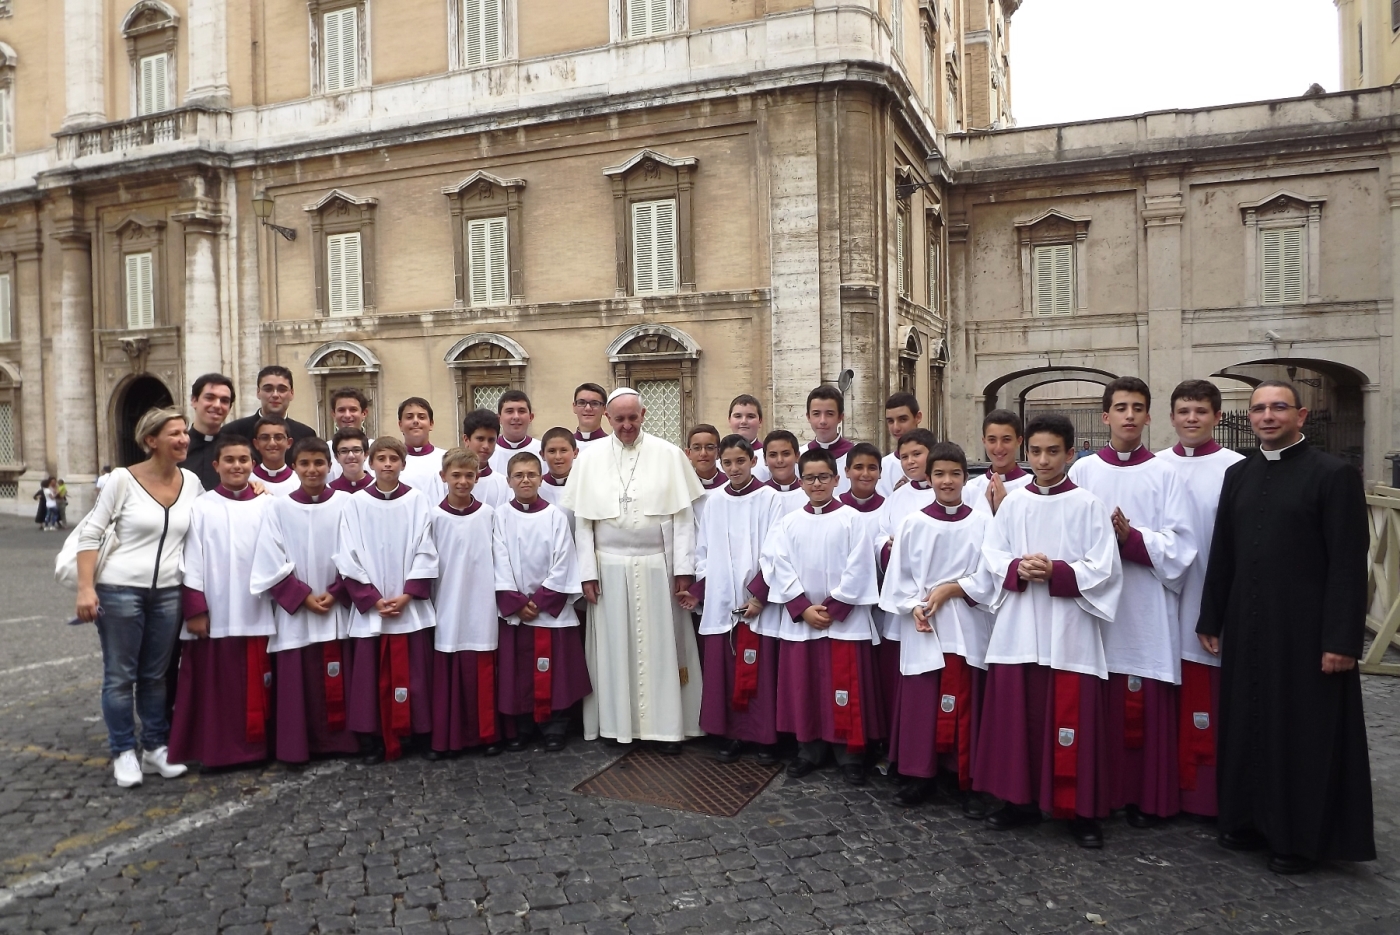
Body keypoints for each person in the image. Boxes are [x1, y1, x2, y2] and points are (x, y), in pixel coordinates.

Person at [1198, 380, 1374, 873]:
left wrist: (1341, 640)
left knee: (1301, 733)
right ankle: (1249, 820)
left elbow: (1347, 563)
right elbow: (1224, 551)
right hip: (1249, 626)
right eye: (1258, 409)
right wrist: (1211, 615)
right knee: (1249, 721)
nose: (1267, 416)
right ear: (1249, 417)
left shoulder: (1333, 474)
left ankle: (1298, 838)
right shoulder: (1240, 474)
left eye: (1278, 408)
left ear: (1301, 414)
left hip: (1306, 633)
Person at [974, 414, 1122, 849]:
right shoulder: (1014, 503)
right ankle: (1015, 801)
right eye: (1035, 451)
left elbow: (1105, 567)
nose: (1043, 459)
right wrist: (1017, 567)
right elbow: (992, 553)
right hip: (1019, 627)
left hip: (1068, 630)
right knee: (1016, 718)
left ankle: (1078, 810)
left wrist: (1056, 571)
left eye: (1052, 451)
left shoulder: (1088, 505)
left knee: (1069, 717)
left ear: (1070, 454)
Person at [1069, 377, 1196, 828]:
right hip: (1096, 607)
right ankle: (1099, 791)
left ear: (1147, 417)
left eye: (1136, 407)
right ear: (1105, 416)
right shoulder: (1082, 472)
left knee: (1143, 699)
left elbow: (1182, 545)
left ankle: (1145, 796)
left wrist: (1132, 537)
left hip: (1143, 605)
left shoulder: (1166, 473)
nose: (1128, 415)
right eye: (1119, 407)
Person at [561, 387, 705, 752]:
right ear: (608, 419)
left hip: (659, 569)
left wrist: (683, 570)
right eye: (619, 419)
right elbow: (583, 524)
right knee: (614, 650)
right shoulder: (589, 459)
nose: (626, 425)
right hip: (608, 571)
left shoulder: (670, 455)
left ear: (643, 415)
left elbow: (684, 519)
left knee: (662, 650)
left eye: (633, 418)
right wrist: (587, 574)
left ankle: (667, 728)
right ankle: (616, 725)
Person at [75, 407, 202, 789]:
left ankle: (155, 748)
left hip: (168, 592)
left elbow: (214, 517)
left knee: (155, 676)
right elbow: (91, 533)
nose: (183, 439)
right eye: (174, 434)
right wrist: (86, 588)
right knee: (119, 677)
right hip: (119, 590)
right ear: (151, 441)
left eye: (184, 433)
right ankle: (123, 751)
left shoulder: (192, 481)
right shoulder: (122, 480)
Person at [880, 441, 997, 808]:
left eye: (955, 474)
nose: (947, 482)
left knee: (964, 700)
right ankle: (919, 775)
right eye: (940, 474)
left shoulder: (982, 521)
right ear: (928, 478)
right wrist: (912, 605)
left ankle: (963, 777)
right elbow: (896, 580)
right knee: (922, 702)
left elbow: (991, 575)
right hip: (925, 627)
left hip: (966, 625)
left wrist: (954, 589)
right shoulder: (914, 522)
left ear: (967, 478)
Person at [765, 448, 884, 786]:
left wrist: (832, 609)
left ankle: (850, 754)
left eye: (823, 477)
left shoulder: (852, 519)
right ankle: (809, 750)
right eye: (809, 477)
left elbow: (860, 568)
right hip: (804, 622)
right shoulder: (789, 523)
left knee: (843, 686)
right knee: (807, 687)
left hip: (842, 623)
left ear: (836, 479)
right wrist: (802, 607)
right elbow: (780, 566)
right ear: (800, 481)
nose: (816, 483)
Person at [1155, 379, 1244, 819]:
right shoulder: (1153, 466)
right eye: (1184, 411)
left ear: (1218, 417)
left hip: (1211, 590)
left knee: (1206, 694)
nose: (1192, 419)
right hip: (1158, 595)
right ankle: (1163, 786)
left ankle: (1206, 794)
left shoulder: (1237, 468)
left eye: (1201, 411)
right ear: (1171, 417)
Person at [167, 434, 276, 770]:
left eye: (243, 460)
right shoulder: (201, 507)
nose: (237, 466)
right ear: (216, 466)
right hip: (217, 611)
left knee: (258, 682)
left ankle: (260, 749)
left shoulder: (268, 504)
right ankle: (218, 751)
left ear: (253, 465)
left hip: (258, 608)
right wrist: (196, 609)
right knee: (219, 687)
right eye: (229, 460)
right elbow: (191, 561)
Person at [249, 437, 358, 764]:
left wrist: (338, 591)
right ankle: (298, 745)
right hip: (297, 611)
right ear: (294, 467)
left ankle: (343, 742)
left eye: (319, 463)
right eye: (305, 463)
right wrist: (302, 596)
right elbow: (269, 556)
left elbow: (356, 551)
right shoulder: (278, 506)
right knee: (299, 682)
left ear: (330, 466)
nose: (312, 470)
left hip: (335, 604)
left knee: (337, 673)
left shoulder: (345, 503)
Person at [679, 435, 784, 765]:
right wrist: (704, 590)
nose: (734, 468)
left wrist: (758, 595)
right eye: (728, 462)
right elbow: (704, 551)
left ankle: (765, 737)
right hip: (723, 600)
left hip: (758, 601)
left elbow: (776, 552)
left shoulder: (770, 499)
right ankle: (733, 734)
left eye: (741, 461)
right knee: (725, 668)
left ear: (754, 461)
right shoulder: (715, 501)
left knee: (760, 669)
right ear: (721, 465)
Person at [334, 437, 439, 763]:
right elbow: (347, 554)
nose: (388, 464)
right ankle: (374, 738)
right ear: (371, 462)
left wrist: (408, 594)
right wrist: (371, 598)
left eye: (394, 458)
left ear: (403, 464)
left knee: (415, 675)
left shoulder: (418, 501)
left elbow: (427, 548)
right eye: (381, 458)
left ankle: (415, 732)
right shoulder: (355, 504)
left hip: (409, 608)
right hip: (373, 610)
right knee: (371, 677)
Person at [494, 452, 590, 752]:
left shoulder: (555, 515)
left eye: (531, 474)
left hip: (550, 612)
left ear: (540, 477)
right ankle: (523, 727)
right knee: (519, 672)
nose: (525, 480)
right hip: (518, 612)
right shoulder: (500, 516)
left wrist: (540, 599)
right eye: (519, 475)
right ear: (509, 480)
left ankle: (555, 727)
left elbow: (564, 560)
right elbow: (498, 560)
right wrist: (516, 602)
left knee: (556, 672)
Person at [428, 447, 502, 759]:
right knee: (447, 671)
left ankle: (487, 735)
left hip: (481, 605)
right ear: (443, 477)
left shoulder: (489, 515)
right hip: (446, 602)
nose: (462, 481)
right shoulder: (433, 516)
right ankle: (447, 738)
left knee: (481, 672)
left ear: (477, 478)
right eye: (455, 475)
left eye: (468, 475)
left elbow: (501, 559)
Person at [223, 366, 316, 453]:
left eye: (282, 389)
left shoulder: (306, 435)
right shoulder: (233, 432)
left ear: (292, 393)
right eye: (268, 389)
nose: (275, 395)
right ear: (258, 392)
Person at [965, 410, 1032, 515]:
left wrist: (1004, 508)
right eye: (992, 440)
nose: (999, 448)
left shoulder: (1032, 486)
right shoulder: (970, 488)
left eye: (1006, 440)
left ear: (1019, 441)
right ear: (984, 441)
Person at [184, 374, 236, 491]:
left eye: (224, 401)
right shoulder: (175, 446)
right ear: (194, 401)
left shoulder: (236, 449)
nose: (217, 405)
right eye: (209, 398)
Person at [805, 386, 855, 495]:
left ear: (840, 417)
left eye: (829, 414)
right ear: (808, 417)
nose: (823, 421)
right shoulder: (800, 456)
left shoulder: (856, 456)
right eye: (816, 414)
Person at [397, 397, 446, 506]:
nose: (415, 421)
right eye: (409, 417)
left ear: (431, 424)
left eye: (421, 417)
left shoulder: (446, 459)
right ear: (400, 425)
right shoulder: (392, 461)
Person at [877, 392, 924, 497]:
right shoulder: (882, 467)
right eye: (890, 421)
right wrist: (897, 498)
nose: (896, 428)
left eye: (903, 419)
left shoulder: (939, 462)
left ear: (918, 417)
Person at [461, 409, 510, 508]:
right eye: (480, 439)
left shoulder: (503, 484)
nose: (486, 446)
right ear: (466, 440)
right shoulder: (448, 480)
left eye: (491, 440)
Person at [490, 390, 541, 475]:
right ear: (499, 419)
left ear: (531, 417)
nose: (516, 417)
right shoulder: (487, 453)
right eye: (509, 411)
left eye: (521, 411)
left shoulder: (543, 451)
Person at [327, 388, 373, 481]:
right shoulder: (325, 450)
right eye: (341, 410)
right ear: (333, 414)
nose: (347, 415)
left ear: (364, 413)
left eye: (353, 409)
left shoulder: (376, 448)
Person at [537, 426, 578, 526]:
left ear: (575, 453)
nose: (558, 457)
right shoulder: (536, 487)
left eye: (563, 450)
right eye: (552, 451)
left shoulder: (583, 485)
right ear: (542, 455)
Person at [251, 416, 300, 496]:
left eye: (278, 437)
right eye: (265, 438)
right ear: (256, 444)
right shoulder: (247, 482)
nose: (272, 443)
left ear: (289, 443)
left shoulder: (300, 482)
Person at [728, 394, 770, 482]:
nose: (743, 421)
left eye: (750, 416)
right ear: (729, 420)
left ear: (760, 421)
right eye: (738, 416)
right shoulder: (719, 457)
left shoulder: (769, 456)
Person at [762, 430, 805, 513]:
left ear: (797, 457)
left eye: (786, 454)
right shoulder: (759, 495)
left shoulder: (810, 493)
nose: (780, 460)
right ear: (765, 460)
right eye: (773, 455)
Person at [329, 429, 374, 494]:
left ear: (366, 454)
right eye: (344, 451)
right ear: (336, 457)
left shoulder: (378, 488)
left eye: (356, 450)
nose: (351, 456)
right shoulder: (330, 491)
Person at [572, 383, 610, 451]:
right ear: (574, 407)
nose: (588, 408)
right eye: (582, 403)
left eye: (595, 403)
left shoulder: (612, 446)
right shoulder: (563, 447)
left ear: (604, 409)